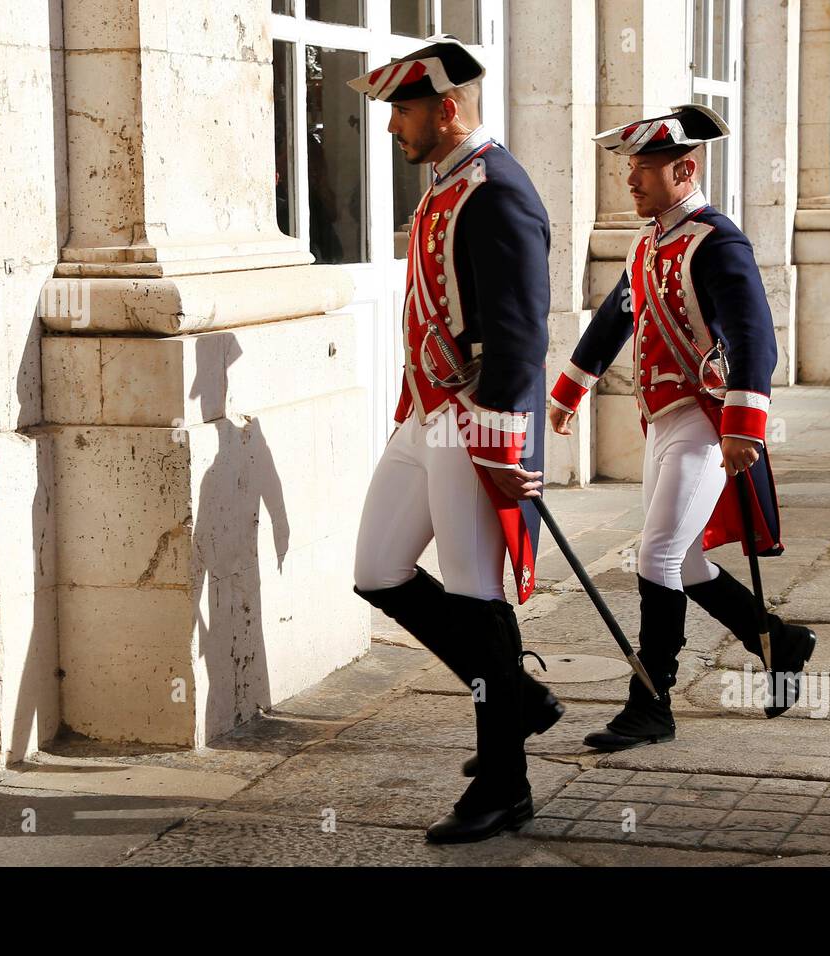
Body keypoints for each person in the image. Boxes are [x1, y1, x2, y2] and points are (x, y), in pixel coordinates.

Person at [548, 105, 818, 752]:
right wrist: (568, 392)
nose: (631, 183)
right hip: (664, 424)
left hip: (704, 418)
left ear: (685, 168)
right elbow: (614, 320)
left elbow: (755, 334)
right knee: (687, 560)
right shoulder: (648, 244)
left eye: (643, 171)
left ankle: (652, 702)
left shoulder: (717, 240)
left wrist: (744, 423)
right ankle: (779, 640)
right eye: (630, 170)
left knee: (658, 556)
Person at [347, 37, 563, 843]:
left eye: (403, 108)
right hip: (428, 411)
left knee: (475, 593)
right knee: (378, 569)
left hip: (476, 421)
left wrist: (504, 449)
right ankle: (519, 698)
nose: (394, 125)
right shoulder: (449, 182)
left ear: (446, 107)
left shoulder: (497, 189)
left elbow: (518, 333)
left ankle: (504, 785)